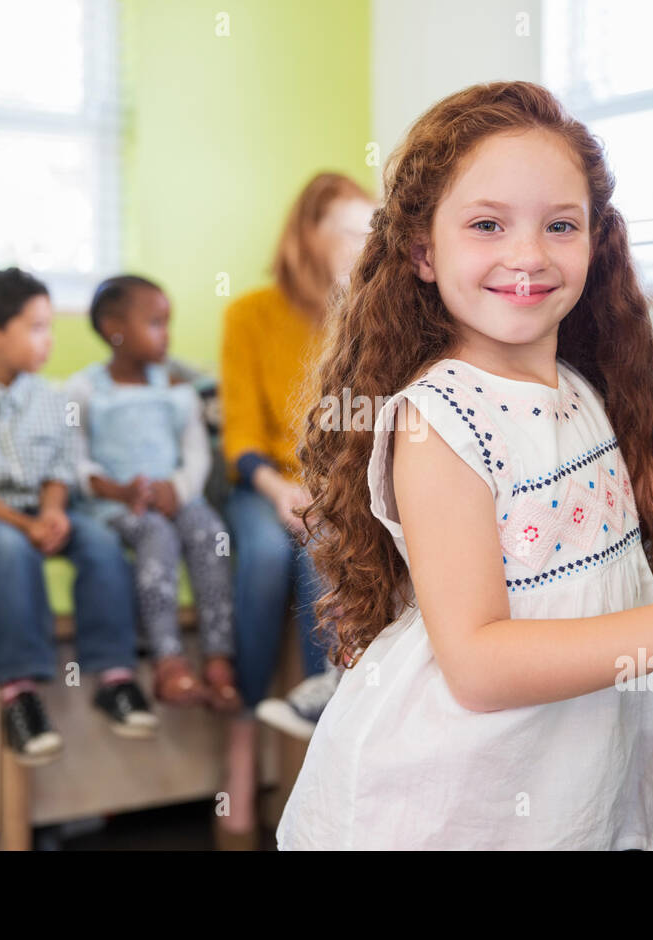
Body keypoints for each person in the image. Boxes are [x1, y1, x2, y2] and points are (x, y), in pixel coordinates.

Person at [277, 80, 653, 849]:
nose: (528, 255)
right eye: (487, 224)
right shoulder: (438, 420)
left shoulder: (579, 391)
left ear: (595, 241)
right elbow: (480, 664)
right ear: (423, 251)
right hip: (449, 804)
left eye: (560, 225)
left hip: (561, 788)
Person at [0, 266, 157, 766]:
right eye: (37, 327)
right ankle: (19, 692)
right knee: (6, 550)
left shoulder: (51, 397)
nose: (49, 340)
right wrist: (24, 526)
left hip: (39, 506)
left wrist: (51, 513)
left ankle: (114, 676)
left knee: (100, 542)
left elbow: (59, 465)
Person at [218, 172, 375, 848]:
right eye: (348, 229)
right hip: (263, 484)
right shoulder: (249, 313)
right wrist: (282, 490)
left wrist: (329, 495)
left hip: (334, 486)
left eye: (371, 230)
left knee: (325, 548)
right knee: (258, 556)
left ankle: (324, 719)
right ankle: (243, 730)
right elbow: (241, 437)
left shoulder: (371, 314)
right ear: (307, 235)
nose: (362, 244)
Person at [64, 275, 242, 713]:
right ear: (114, 329)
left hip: (175, 496)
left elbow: (196, 453)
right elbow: (72, 458)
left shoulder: (178, 388)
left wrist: (178, 489)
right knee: (156, 537)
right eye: (156, 323)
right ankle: (168, 663)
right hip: (115, 503)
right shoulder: (84, 390)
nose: (167, 334)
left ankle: (218, 660)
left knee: (209, 533)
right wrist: (116, 489)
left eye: (168, 323)